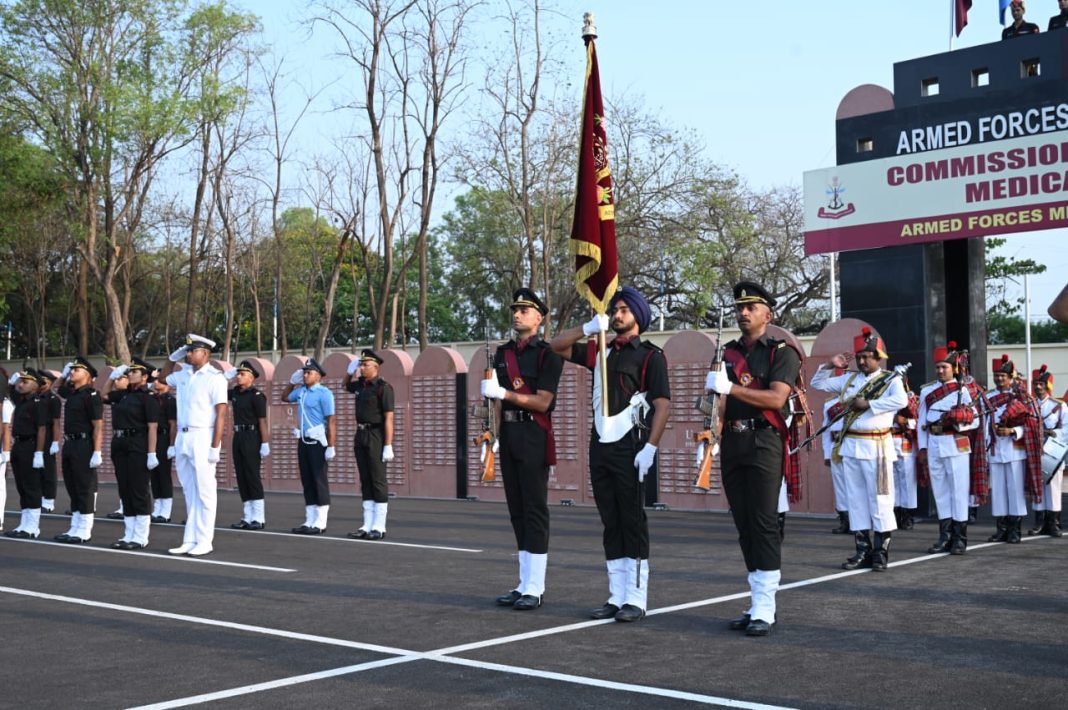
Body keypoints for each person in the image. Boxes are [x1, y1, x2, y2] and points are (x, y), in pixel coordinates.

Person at [551, 286, 670, 623]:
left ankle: (636, 596)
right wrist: (588, 328)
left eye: (623, 310)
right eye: (614, 310)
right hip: (601, 443)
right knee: (610, 521)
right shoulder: (601, 350)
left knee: (632, 520)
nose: (617, 315)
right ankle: (616, 595)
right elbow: (556, 346)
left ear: (638, 316)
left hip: (631, 445)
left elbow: (663, 404)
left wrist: (651, 447)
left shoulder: (650, 356)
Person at [703, 281, 802, 636]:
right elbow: (718, 405)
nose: (743, 313)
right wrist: (711, 433)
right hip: (733, 440)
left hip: (764, 439)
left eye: (751, 307)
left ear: (767, 314)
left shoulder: (781, 352)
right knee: (744, 523)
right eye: (740, 308)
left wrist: (730, 387)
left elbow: (776, 399)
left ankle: (765, 606)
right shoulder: (725, 354)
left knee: (762, 522)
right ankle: (755, 599)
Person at [480, 289, 563, 610]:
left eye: (525, 310)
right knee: (516, 510)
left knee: (534, 509)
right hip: (511, 434)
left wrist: (504, 392)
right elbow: (495, 403)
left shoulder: (548, 353)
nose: (517, 314)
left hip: (533, 433)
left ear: (539, 318)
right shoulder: (502, 354)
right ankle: (522, 582)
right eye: (515, 309)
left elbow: (544, 401)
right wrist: (492, 433)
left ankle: (536, 586)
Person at [811, 328, 908, 572]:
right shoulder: (849, 379)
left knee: (880, 499)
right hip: (852, 446)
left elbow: (902, 401)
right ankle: (862, 550)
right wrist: (830, 364)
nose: (863, 361)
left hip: (877, 446)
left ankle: (881, 552)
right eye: (860, 357)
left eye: (867, 356)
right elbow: (817, 383)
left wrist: (870, 404)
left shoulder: (890, 380)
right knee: (855, 501)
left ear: (879, 357)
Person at [164, 335, 228, 556]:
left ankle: (205, 540)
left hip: (203, 436)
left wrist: (214, 446)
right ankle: (190, 539)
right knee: (189, 491)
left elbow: (221, 413)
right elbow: (161, 381)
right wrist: (172, 359)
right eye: (187, 351)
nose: (188, 354)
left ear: (205, 353)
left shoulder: (215, 378)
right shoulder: (182, 375)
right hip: (183, 436)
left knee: (205, 492)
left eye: (192, 351)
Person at [917, 343, 982, 555]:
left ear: (954, 368)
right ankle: (944, 537)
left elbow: (974, 421)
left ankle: (959, 538)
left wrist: (957, 421)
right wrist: (923, 448)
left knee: (958, 492)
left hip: (955, 442)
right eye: (937, 367)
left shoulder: (963, 390)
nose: (940, 371)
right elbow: (921, 423)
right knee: (941, 492)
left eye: (944, 367)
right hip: (934, 442)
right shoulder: (927, 391)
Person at [985, 355, 1044, 543]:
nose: (999, 378)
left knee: (1015, 490)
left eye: (1003, 375)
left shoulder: (1024, 398)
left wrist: (1013, 430)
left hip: (1015, 450)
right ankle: (1001, 529)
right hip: (995, 449)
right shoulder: (988, 397)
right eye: (996, 375)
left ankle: (1014, 530)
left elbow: (1034, 424)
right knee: (999, 491)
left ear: (1011, 376)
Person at [102, 357, 160, 549]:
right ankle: (128, 533)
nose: (130, 374)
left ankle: (141, 536)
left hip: (138, 444)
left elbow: (152, 427)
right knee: (124, 489)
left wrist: (151, 453)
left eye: (134, 372)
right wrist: (112, 377)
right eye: (129, 372)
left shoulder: (148, 397)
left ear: (144, 377)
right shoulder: (122, 395)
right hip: (120, 443)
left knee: (139, 489)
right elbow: (103, 395)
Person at [344, 350, 396, 541]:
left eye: (365, 364)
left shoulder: (383, 388)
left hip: (376, 434)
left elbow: (389, 417)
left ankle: (379, 526)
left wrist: (388, 444)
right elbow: (345, 386)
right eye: (361, 364)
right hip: (361, 434)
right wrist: (349, 372)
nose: (362, 367)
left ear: (376, 366)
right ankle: (367, 524)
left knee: (377, 479)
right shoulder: (360, 386)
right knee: (365, 479)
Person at [281, 358, 336, 534]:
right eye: (304, 372)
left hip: (318, 442)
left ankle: (320, 521)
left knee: (319, 480)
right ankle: (309, 519)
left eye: (308, 372)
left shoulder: (324, 393)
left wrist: (331, 446)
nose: (305, 375)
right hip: (303, 440)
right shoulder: (301, 392)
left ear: (318, 376)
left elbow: (331, 421)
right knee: (307, 480)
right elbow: (284, 398)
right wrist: (291, 382)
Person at [53, 356, 105, 544]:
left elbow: (98, 425)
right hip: (70, 444)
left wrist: (97, 451)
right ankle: (74, 526)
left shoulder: (91, 395)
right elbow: (57, 388)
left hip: (84, 445)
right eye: (71, 370)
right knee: (72, 487)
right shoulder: (73, 393)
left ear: (87, 375)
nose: (72, 372)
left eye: (76, 370)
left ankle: (84, 529)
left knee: (84, 488)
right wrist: (64, 374)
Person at [3, 370, 48, 539]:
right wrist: (13, 379)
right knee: (22, 487)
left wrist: (39, 452)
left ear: (36, 385)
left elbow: (42, 429)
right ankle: (24, 523)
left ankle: (33, 526)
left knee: (31, 487)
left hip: (30, 445)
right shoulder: (21, 401)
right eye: (20, 381)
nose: (21, 384)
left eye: (26, 382)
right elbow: (8, 389)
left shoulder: (38, 402)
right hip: (19, 445)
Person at [226, 360, 270, 530]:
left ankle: (258, 517)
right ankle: (247, 516)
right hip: (238, 435)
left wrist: (265, 442)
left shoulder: (257, 396)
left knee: (252, 475)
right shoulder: (235, 393)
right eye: (238, 373)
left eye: (242, 374)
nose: (238, 376)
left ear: (251, 378)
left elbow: (262, 422)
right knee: (241, 477)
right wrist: (225, 378)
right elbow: (215, 392)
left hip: (252, 436)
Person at [1031, 365, 1066, 536]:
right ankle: (1039, 521)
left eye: (1042, 385)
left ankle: (1053, 523)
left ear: (1048, 386)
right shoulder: (1030, 405)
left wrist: (1054, 433)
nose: (1038, 387)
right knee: (1037, 485)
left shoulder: (1060, 406)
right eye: (1036, 384)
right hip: (1035, 449)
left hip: (1052, 450)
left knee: (1053, 487)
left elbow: (1066, 428)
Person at [891, 380, 920, 531]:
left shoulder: (912, 399)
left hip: (904, 441)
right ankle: (895, 513)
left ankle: (908, 515)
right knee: (892, 481)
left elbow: (919, 421)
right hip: (889, 440)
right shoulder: (885, 398)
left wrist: (905, 421)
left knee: (908, 480)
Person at [150, 369, 177, 523]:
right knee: (154, 474)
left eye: (159, 380)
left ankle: (165, 510)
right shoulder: (152, 399)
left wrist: (171, 445)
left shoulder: (171, 401)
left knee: (163, 474)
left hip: (164, 437)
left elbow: (173, 424)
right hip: (153, 438)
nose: (155, 383)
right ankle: (157, 507)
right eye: (155, 380)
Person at [36, 369, 62, 513]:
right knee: (36, 471)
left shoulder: (54, 399)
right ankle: (39, 498)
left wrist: (55, 441)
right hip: (35, 437)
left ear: (51, 383)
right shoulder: (36, 397)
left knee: (48, 471)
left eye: (45, 381)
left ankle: (48, 500)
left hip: (48, 438)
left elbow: (56, 422)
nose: (42, 383)